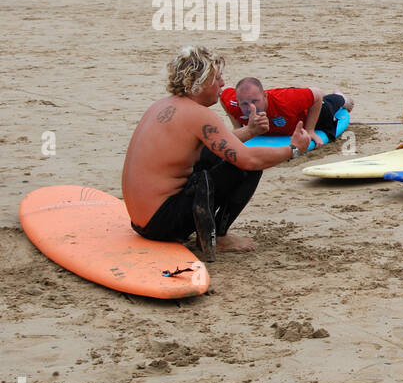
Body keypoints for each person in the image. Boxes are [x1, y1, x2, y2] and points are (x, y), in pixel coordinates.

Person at [123, 47, 313, 260]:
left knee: (215, 158)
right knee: (247, 167)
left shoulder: (162, 105)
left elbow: (208, 147)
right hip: (162, 225)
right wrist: (294, 149)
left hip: (141, 221)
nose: (223, 84)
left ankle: (209, 232)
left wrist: (250, 131)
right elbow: (249, 160)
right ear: (200, 82)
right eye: (217, 78)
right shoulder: (199, 115)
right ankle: (220, 236)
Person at [221, 79, 353, 143]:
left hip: (308, 115)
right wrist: (237, 127)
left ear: (265, 96)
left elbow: (317, 94)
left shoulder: (284, 101)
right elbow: (222, 96)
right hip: (290, 105)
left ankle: (341, 96)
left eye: (255, 102)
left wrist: (310, 130)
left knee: (331, 103)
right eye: (244, 104)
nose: (251, 108)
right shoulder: (233, 103)